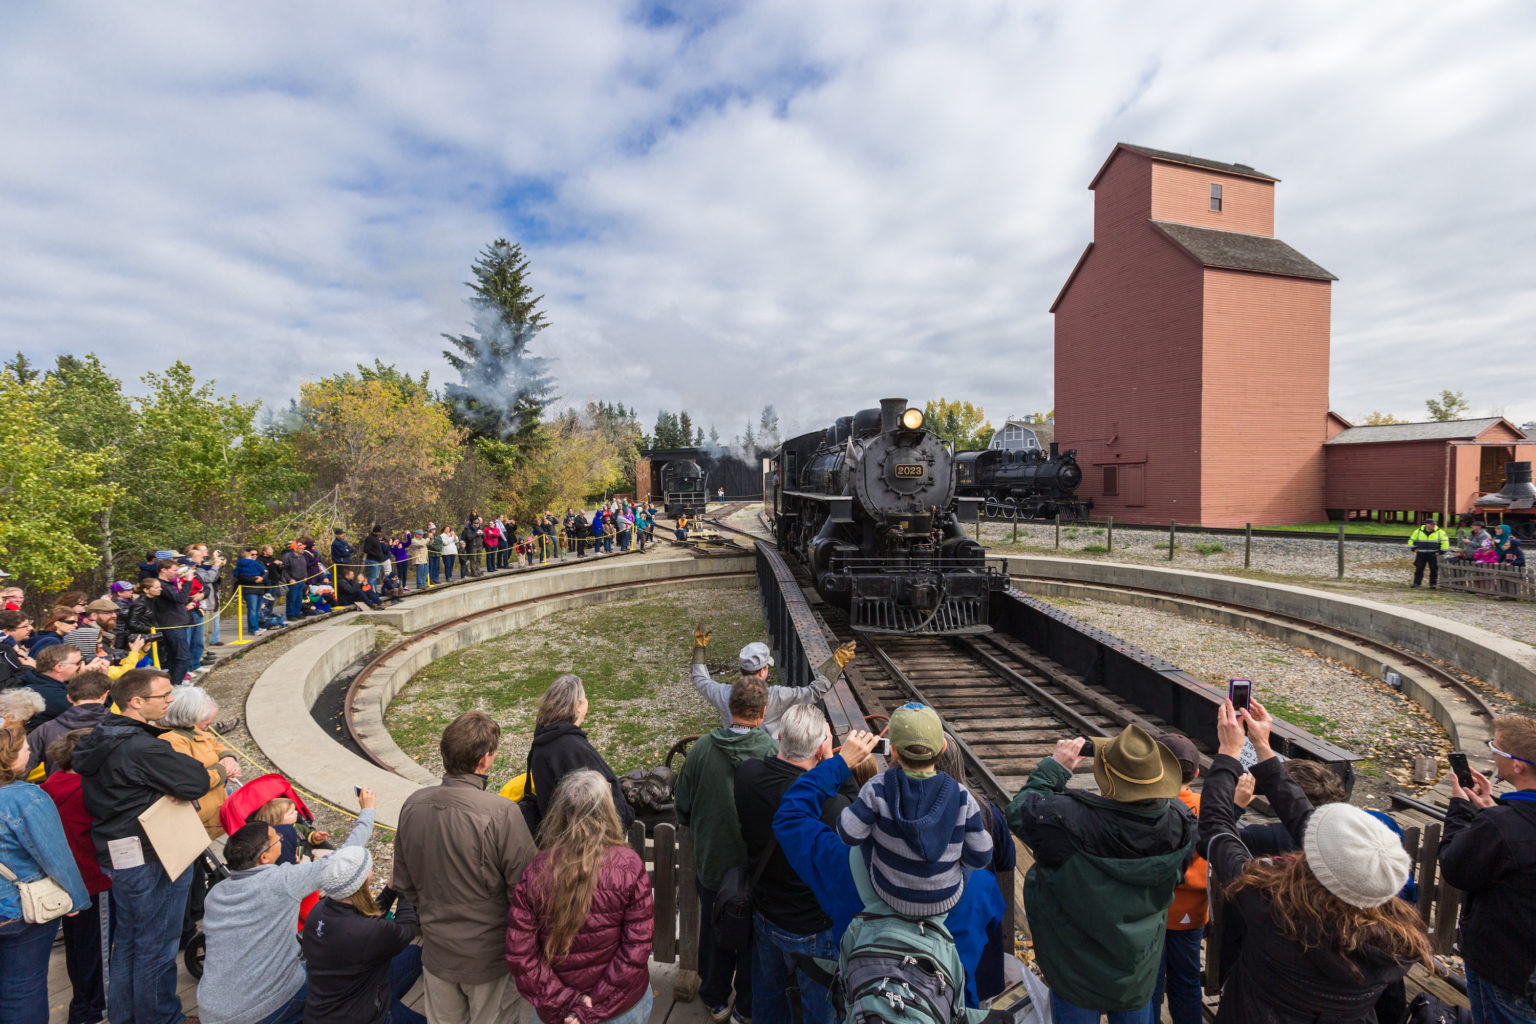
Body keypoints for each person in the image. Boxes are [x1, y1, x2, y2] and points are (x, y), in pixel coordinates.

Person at [1201, 700, 1427, 1023]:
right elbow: (1314, 831)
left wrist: (1228, 754)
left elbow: (1215, 829)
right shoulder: (1397, 940)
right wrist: (1263, 747)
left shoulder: (1273, 910)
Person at [770, 727, 1004, 1008]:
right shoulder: (979, 884)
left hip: (868, 1007)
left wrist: (840, 764)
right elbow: (986, 971)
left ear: (891, 762)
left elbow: (790, 816)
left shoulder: (843, 862)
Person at [1007, 724, 1197, 1023]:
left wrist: (1054, 769)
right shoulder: (1182, 823)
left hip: (1074, 967)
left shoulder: (1064, 820)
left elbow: (1020, 810)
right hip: (1136, 967)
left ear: (1106, 782)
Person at [72, 668, 213, 1024]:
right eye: (163, 695)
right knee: (157, 947)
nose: (170, 700)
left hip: (118, 852)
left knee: (130, 943)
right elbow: (195, 780)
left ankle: (125, 1016)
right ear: (136, 702)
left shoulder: (102, 736)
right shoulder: (141, 746)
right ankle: (162, 1017)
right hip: (154, 854)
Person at [393, 710, 537, 1024]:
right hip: (489, 960)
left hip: (437, 955)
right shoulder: (501, 813)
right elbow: (528, 893)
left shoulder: (412, 806)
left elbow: (403, 884)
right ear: (486, 760)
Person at [197, 791, 377, 1024]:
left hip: (211, 1010)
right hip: (260, 1009)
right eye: (277, 837)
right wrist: (368, 811)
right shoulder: (283, 881)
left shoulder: (215, 894)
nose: (282, 838)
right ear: (263, 857)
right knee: (348, 979)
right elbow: (346, 857)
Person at [506, 770, 655, 1024]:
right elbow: (636, 948)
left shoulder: (536, 871)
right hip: (618, 1007)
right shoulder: (629, 865)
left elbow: (521, 954)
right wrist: (591, 1005)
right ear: (607, 809)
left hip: (558, 1010)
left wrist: (568, 1003)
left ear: (560, 812)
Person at [674, 676, 780, 1024]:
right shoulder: (771, 753)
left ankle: (715, 998)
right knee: (753, 942)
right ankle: (746, 1007)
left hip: (713, 865)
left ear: (730, 707)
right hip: (757, 871)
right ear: (762, 713)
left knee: (714, 934)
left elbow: (683, 805)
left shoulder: (703, 748)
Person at [735, 705, 850, 1024]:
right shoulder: (830, 806)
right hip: (811, 926)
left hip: (764, 911)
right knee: (819, 1009)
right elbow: (851, 817)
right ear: (820, 749)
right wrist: (838, 765)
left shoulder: (747, 776)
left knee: (767, 999)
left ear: (781, 737)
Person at [837, 702, 993, 916]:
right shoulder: (962, 796)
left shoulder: (877, 787)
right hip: (945, 898)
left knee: (861, 844)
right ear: (943, 748)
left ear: (892, 752)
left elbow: (848, 834)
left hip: (889, 892)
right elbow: (981, 856)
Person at [1440, 714, 1536, 1023]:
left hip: (1506, 969)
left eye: (1495, 747)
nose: (1492, 751)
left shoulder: (1503, 826)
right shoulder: (1508, 821)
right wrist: (1492, 810)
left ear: (1517, 765)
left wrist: (1460, 807)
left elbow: (1455, 866)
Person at [0, 716, 92, 1024]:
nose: (29, 753)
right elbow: (55, 856)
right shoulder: (24, 797)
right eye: (25, 747)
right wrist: (76, 900)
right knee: (22, 989)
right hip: (17, 908)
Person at [40, 728, 116, 1024]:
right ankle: (98, 1009)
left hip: (67, 882)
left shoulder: (50, 787)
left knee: (78, 948)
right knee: (99, 951)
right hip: (95, 881)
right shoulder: (89, 793)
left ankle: (83, 1004)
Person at [302, 847, 426, 1024]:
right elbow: (406, 930)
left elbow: (365, 917)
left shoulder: (319, 911)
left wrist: (391, 889)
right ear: (363, 879)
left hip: (330, 1007)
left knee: (414, 954)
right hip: (367, 1016)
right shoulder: (367, 932)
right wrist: (405, 886)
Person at [691, 625, 856, 736]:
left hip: (731, 754)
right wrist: (836, 664)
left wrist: (700, 648)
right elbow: (813, 692)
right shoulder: (777, 696)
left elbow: (700, 678)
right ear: (763, 671)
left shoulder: (722, 694)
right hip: (766, 760)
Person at [1150, 733, 1208, 1024]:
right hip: (1192, 912)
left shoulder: (1148, 806)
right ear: (1196, 773)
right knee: (1186, 980)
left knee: (1148, 983)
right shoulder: (1206, 805)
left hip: (1150, 912)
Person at [527, 674, 635, 828]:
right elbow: (600, 803)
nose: (587, 702)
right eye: (584, 700)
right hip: (586, 839)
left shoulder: (543, 742)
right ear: (577, 706)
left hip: (557, 833)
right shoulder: (573, 749)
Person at [28, 669, 112, 776]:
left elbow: (18, 766)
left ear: (69, 697)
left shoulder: (47, 729)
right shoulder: (123, 727)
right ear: (104, 696)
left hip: (59, 791)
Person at [18, 643, 86, 730]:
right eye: (78, 663)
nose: (81, 666)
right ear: (59, 667)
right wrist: (89, 678)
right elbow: (91, 713)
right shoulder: (49, 694)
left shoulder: (40, 681)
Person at [152, 558, 199, 684]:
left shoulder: (168, 584)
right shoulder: (161, 585)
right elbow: (179, 599)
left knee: (174, 657)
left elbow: (180, 599)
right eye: (174, 570)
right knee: (182, 657)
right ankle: (175, 685)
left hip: (177, 623)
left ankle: (172, 683)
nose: (176, 573)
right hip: (171, 625)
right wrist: (188, 582)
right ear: (163, 570)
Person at [1407, 515, 1450, 587]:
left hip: (1434, 554)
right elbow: (1411, 541)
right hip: (1421, 553)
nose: (1433, 526)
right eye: (1431, 524)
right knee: (1419, 568)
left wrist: (1441, 551)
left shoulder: (1441, 532)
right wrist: (1414, 548)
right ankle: (1417, 583)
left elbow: (1445, 542)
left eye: (1434, 524)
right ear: (1426, 524)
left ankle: (1433, 584)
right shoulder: (1417, 531)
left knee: (1433, 569)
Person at [282, 540, 310, 622]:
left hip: (301, 580)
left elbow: (304, 568)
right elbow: (284, 570)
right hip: (293, 581)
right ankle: (291, 614)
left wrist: (305, 576)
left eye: (303, 548)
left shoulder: (302, 556)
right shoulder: (287, 556)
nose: (302, 549)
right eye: (300, 548)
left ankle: (297, 613)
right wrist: (289, 579)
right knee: (292, 598)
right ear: (295, 548)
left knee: (299, 598)